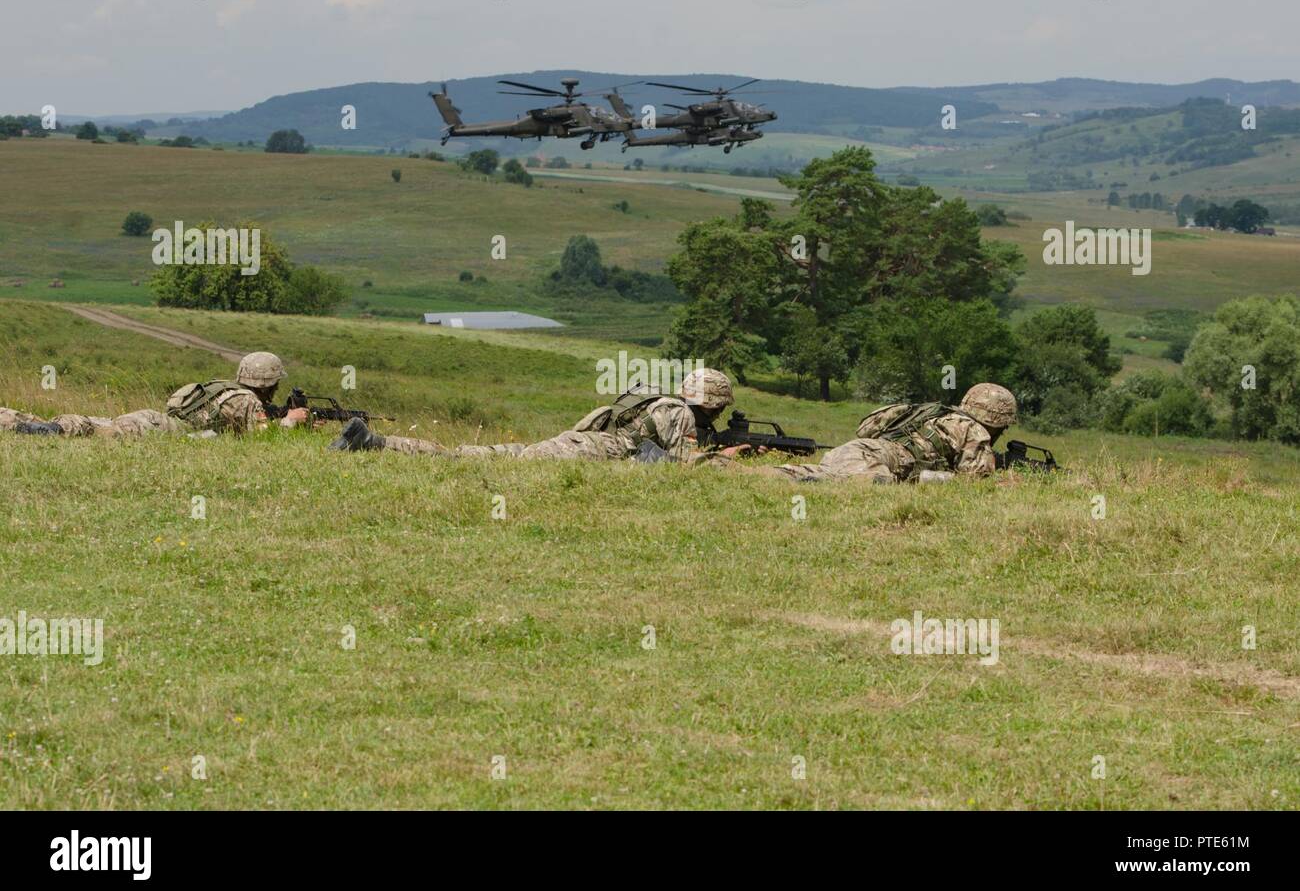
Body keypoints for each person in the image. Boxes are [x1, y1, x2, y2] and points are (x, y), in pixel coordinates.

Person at [328, 368, 740, 463]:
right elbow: (683, 467)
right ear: (713, 404)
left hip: (576, 444)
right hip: (585, 454)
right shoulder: (682, 416)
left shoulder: (657, 401)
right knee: (466, 458)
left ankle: (377, 442)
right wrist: (728, 457)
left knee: (476, 454)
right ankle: (374, 443)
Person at [2, 351, 304, 437]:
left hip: (154, 419)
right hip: (159, 430)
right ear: (269, 383)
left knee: (97, 423)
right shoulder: (247, 401)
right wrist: (292, 420)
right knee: (100, 432)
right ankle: (45, 430)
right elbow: (265, 438)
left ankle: (15, 420)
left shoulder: (222, 388)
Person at [774, 383, 1017, 483]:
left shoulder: (929, 411)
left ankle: (748, 472)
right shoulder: (975, 431)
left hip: (856, 450)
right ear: (996, 423)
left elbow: (865, 428)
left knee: (806, 475)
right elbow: (973, 482)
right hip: (874, 461)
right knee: (863, 487)